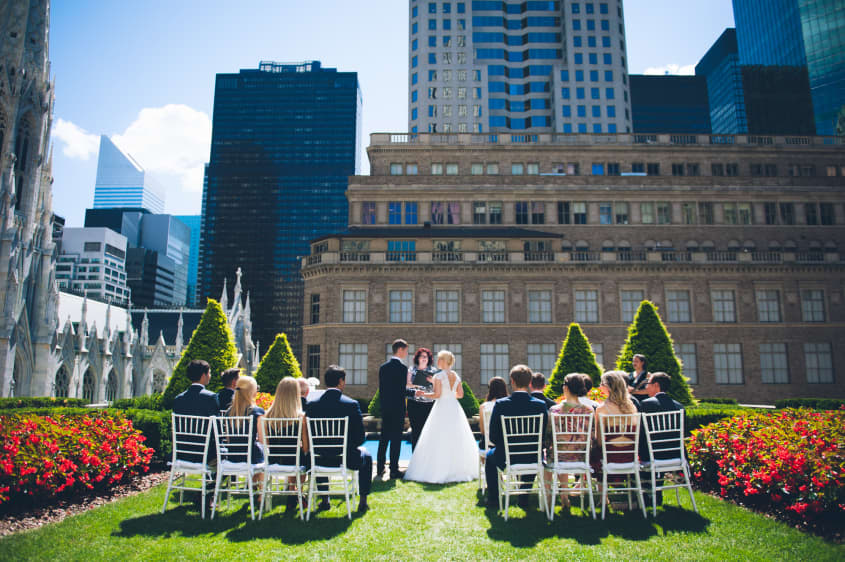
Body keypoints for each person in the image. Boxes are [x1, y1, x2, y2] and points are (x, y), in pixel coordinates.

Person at [404, 350, 478, 484]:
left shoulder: (438, 376)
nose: (437, 362)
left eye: (439, 359)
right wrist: (449, 396)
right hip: (454, 407)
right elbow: (460, 395)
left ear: (444, 361)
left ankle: (438, 468)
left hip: (442, 407)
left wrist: (422, 394)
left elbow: (436, 395)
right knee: (456, 436)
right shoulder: (455, 375)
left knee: (438, 436)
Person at [306, 365, 372, 513]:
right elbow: (360, 438)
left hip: (319, 459)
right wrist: (348, 446)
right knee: (366, 457)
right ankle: (363, 500)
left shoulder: (312, 405)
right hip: (347, 458)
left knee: (316, 454)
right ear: (341, 382)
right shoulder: (351, 404)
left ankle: (324, 499)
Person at [484, 365, 549, 507]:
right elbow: (544, 433)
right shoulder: (540, 405)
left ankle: (493, 498)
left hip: (507, 454)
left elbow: (493, 435)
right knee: (532, 454)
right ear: (530, 382)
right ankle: (523, 495)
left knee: (489, 457)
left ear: (512, 381)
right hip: (532, 453)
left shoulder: (501, 404)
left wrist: (504, 445)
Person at [172, 360, 219, 511]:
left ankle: (206, 493)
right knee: (227, 459)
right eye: (209, 373)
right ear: (204, 376)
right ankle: (207, 492)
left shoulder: (178, 399)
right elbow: (217, 429)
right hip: (204, 454)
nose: (210, 376)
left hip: (182, 453)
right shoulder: (210, 397)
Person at [546, 373, 594, 513]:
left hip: (559, 456)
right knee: (563, 450)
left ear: (565, 388)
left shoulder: (555, 410)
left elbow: (549, 436)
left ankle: (555, 498)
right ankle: (564, 494)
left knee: (550, 454)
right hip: (581, 456)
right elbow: (591, 435)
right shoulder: (589, 410)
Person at [638, 372, 683, 507]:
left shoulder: (646, 404)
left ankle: (646, 495)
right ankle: (656, 491)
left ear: (656, 385)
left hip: (654, 455)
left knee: (639, 451)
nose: (647, 388)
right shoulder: (679, 406)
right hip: (675, 455)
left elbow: (641, 433)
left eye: (648, 384)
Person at [595, 371, 639, 507]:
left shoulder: (602, 409)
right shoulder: (632, 407)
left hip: (611, 457)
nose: (600, 386)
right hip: (630, 456)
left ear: (608, 387)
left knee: (594, 454)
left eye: (601, 384)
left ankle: (603, 499)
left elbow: (599, 440)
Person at [266, 377, 309, 511]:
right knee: (302, 456)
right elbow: (306, 447)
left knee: (294, 455)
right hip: (294, 460)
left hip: (274, 460)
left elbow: (267, 443)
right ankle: (297, 491)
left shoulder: (267, 416)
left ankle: (293, 490)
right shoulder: (300, 417)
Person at [377, 339, 417, 478]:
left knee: (384, 438)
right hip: (398, 409)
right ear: (400, 350)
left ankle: (380, 468)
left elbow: (383, 390)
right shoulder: (402, 368)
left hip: (386, 408)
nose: (406, 353)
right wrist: (414, 392)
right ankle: (394, 469)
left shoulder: (383, 367)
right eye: (406, 350)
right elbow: (401, 390)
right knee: (395, 439)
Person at [226, 375, 265, 466]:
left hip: (233, 457)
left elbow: (228, 439)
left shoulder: (229, 413)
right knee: (261, 451)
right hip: (252, 457)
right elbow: (262, 440)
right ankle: (257, 480)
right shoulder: (257, 412)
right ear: (252, 392)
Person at [406, 348, 435, 450]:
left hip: (429, 404)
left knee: (428, 431)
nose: (424, 358)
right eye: (421, 356)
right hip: (414, 404)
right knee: (416, 431)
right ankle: (415, 457)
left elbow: (438, 388)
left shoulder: (433, 371)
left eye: (426, 357)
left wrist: (432, 381)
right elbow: (407, 385)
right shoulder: (411, 369)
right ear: (417, 358)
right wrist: (416, 385)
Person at [479, 376, 508, 451]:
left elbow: (483, 431)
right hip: (506, 445)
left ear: (490, 390)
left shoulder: (483, 407)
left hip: (489, 446)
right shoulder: (509, 405)